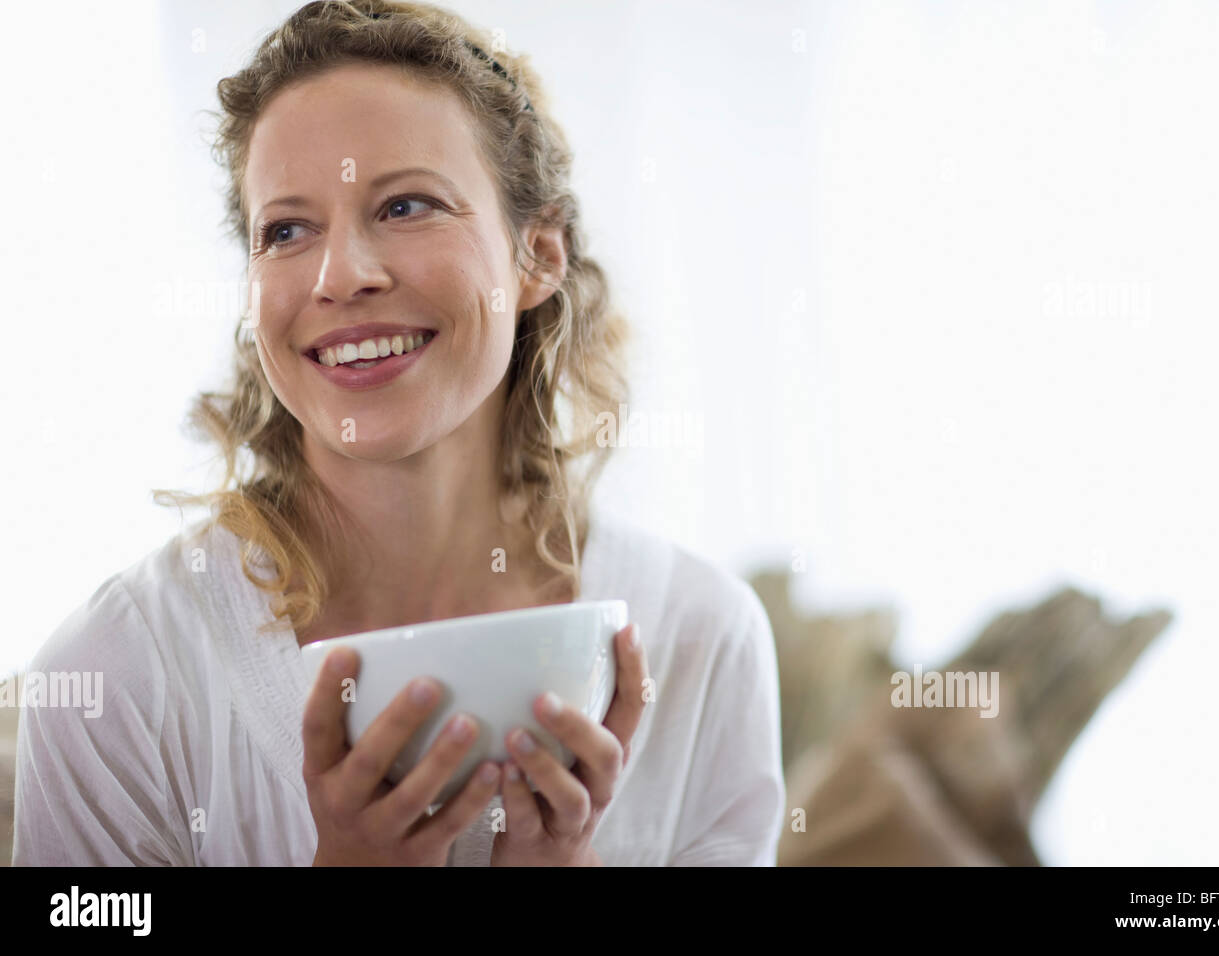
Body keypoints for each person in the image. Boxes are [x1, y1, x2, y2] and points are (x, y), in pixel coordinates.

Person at [11, 0, 784, 866]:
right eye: (288, 230)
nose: (341, 276)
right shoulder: (113, 678)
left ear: (537, 255)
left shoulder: (706, 638)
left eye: (407, 205)